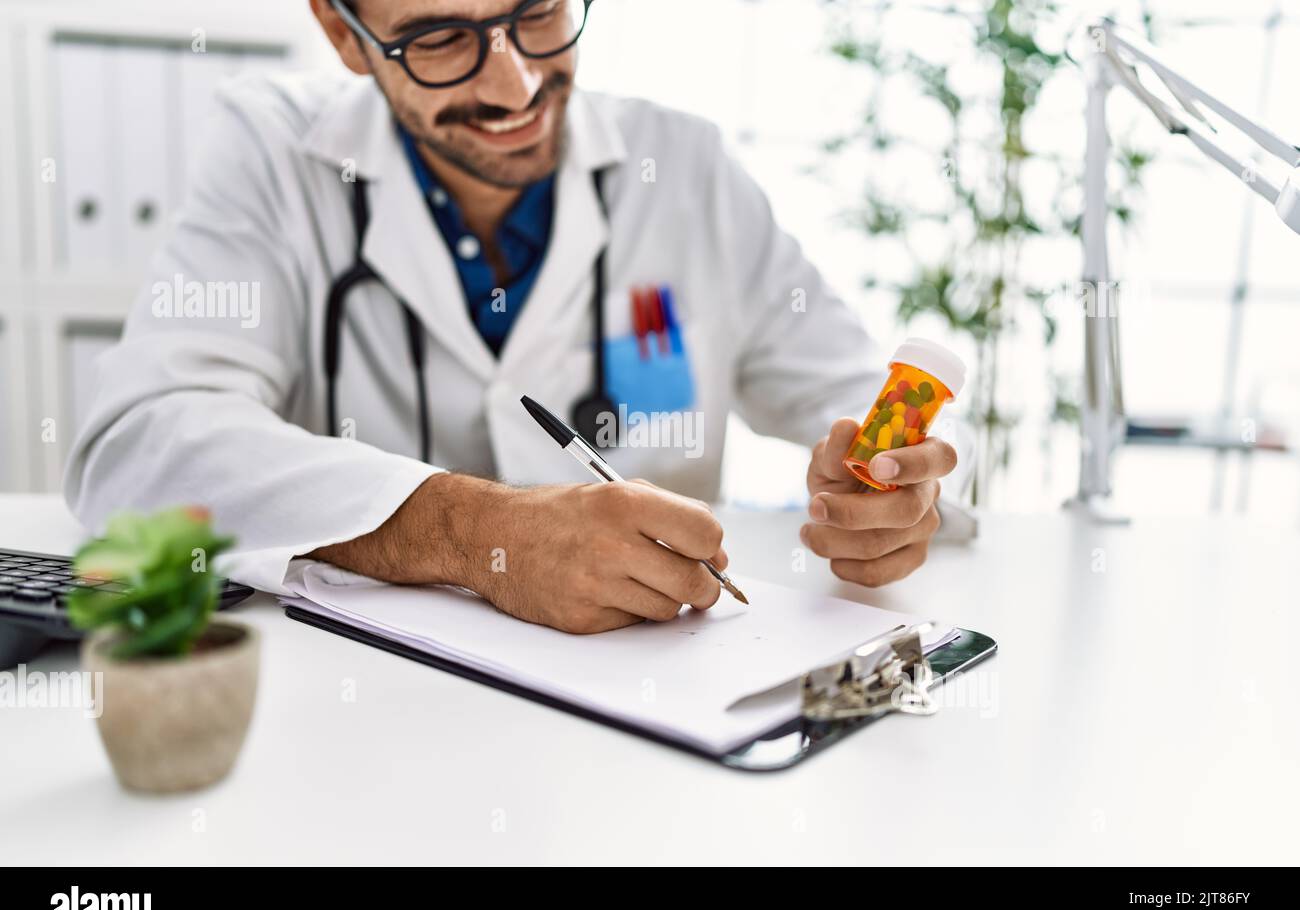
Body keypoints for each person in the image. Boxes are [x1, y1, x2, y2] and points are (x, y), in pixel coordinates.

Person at [65, 0, 967, 634]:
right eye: (440, 39)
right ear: (343, 31)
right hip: (373, 731)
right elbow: (139, 443)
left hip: (662, 720)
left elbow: (854, 392)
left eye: (536, 10)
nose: (515, 85)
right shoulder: (272, 152)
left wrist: (888, 489)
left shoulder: (684, 168)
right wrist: (475, 532)